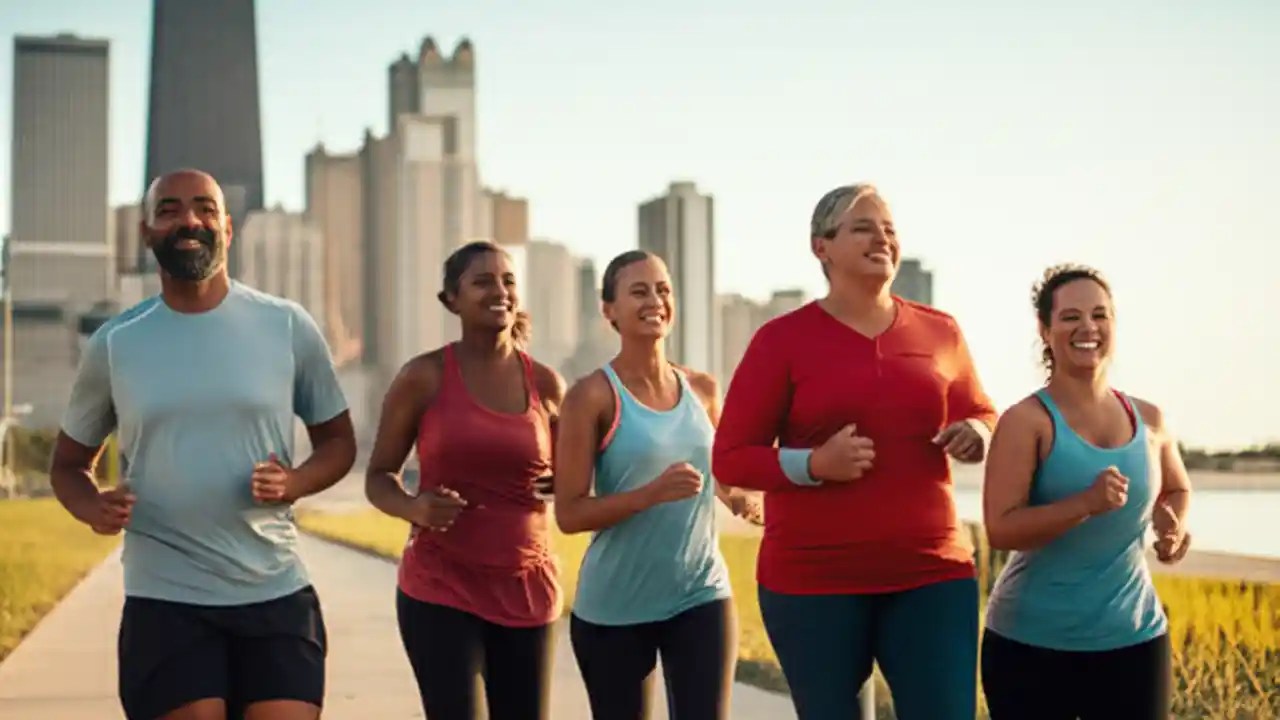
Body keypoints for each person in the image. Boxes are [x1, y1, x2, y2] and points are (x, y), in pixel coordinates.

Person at [50, 169, 356, 720]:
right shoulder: (116, 343)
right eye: (169, 209)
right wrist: (92, 505)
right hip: (166, 594)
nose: (189, 219)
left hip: (275, 586)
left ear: (227, 229)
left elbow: (337, 441)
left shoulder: (286, 325)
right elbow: (69, 465)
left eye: (204, 208)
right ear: (147, 233)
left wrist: (295, 482)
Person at [711, 184, 997, 720]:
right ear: (822, 246)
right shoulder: (781, 340)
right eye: (864, 227)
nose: (883, 238)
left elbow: (982, 411)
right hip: (813, 581)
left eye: (889, 228)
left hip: (931, 573)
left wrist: (978, 433)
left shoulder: (941, 331)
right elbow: (730, 458)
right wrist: (812, 465)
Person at [554, 250, 762, 720]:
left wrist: (739, 496)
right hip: (614, 608)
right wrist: (649, 495)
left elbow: (720, 474)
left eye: (664, 290)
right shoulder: (591, 396)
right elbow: (568, 513)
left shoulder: (703, 390)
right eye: (639, 291)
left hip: (700, 593)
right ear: (609, 309)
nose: (656, 301)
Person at [364, 241, 564, 720]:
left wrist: (565, 480)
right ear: (451, 299)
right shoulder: (424, 376)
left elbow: (573, 472)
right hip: (441, 586)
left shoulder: (547, 383)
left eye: (508, 281)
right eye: (482, 281)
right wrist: (414, 507)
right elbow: (378, 476)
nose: (499, 291)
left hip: (527, 588)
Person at [980, 263, 1190, 720]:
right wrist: (1084, 505)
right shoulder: (1027, 421)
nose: (1087, 327)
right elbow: (1001, 528)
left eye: (1100, 314)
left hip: (1135, 639)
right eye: (1071, 316)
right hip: (1030, 644)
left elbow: (1175, 488)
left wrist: (1171, 527)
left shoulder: (1149, 418)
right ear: (1046, 329)